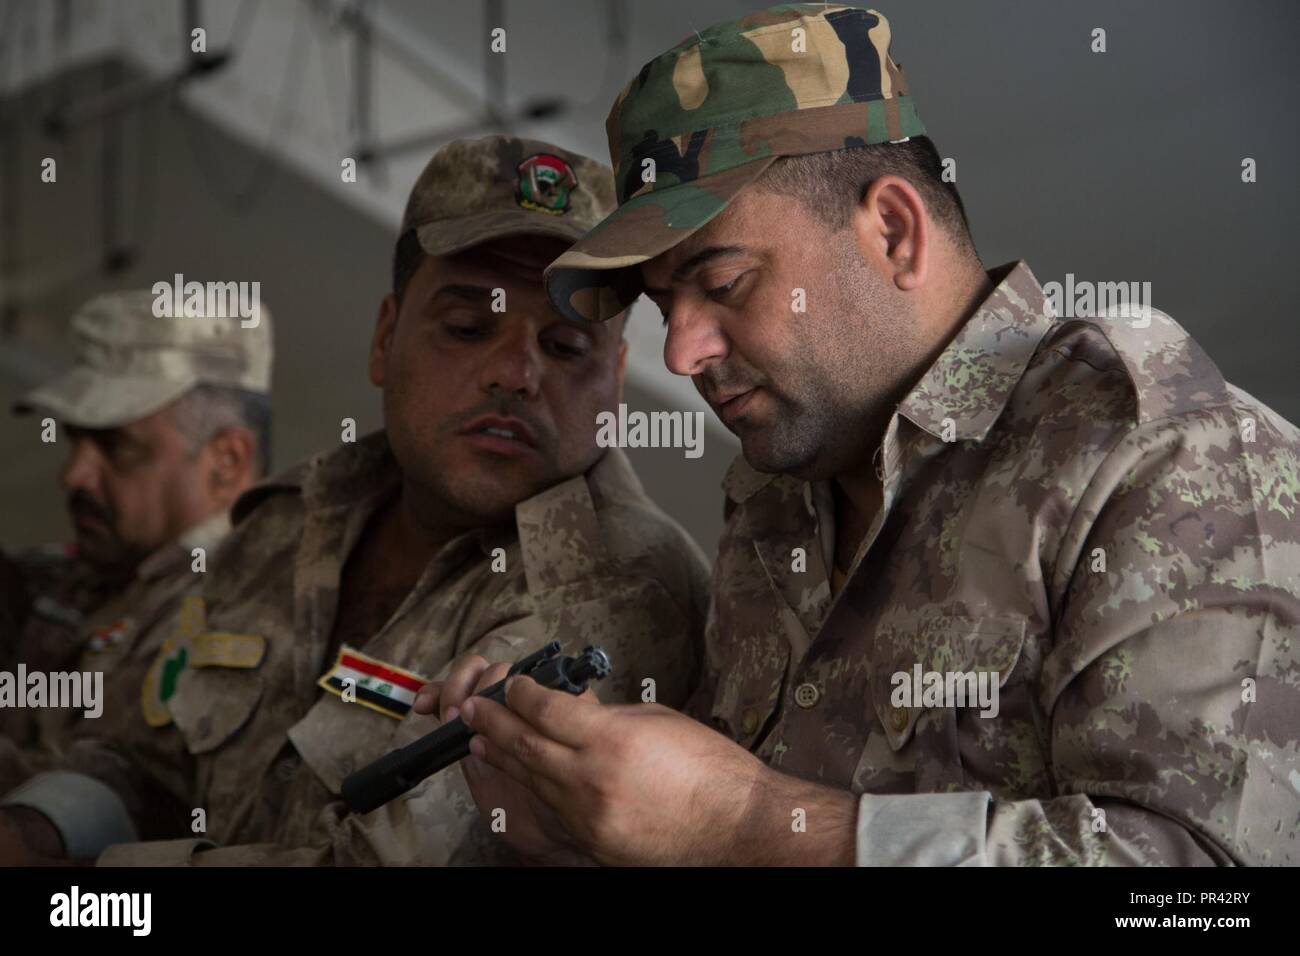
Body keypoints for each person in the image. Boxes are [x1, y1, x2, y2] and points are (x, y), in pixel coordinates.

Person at [433, 4, 1300, 866]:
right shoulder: (775, 504)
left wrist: (739, 822)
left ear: (893, 232)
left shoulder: (1163, 453)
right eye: (665, 305)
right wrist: (585, 842)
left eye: (724, 282)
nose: (683, 350)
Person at [92, 135, 709, 866]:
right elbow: (140, 750)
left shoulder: (622, 589)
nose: (515, 372)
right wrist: (46, 822)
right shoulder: (293, 517)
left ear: (614, 378)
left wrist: (87, 889)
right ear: (386, 339)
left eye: (567, 346)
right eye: (468, 327)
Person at [0, 290, 273, 859]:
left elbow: (141, 784)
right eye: (75, 441)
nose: (73, 475)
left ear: (226, 461)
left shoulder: (264, 608)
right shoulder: (82, 574)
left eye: (116, 448)